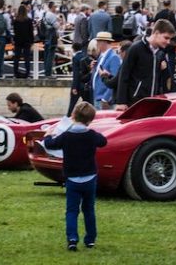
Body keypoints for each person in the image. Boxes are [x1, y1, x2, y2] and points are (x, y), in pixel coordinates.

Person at [43, 102, 107, 252]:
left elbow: (51, 144)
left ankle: (72, 239)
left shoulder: (66, 136)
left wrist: (47, 135)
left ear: (73, 116)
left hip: (72, 179)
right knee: (89, 209)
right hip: (90, 178)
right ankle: (90, 239)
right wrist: (94, 131)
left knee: (72, 210)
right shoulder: (91, 135)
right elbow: (103, 141)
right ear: (90, 120)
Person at [114, 19, 176, 109]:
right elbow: (124, 74)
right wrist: (121, 101)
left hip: (154, 103)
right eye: (166, 38)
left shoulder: (160, 53)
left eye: (170, 39)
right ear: (156, 33)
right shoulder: (136, 48)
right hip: (136, 102)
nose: (168, 42)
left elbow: (164, 79)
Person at [91, 32, 120, 109]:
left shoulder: (113, 57)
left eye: (98, 41)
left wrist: (105, 98)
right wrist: (93, 68)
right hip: (98, 97)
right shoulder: (101, 56)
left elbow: (114, 80)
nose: (96, 44)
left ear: (103, 42)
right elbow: (97, 76)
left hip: (104, 100)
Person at [68, 42, 93, 116]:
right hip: (85, 84)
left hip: (78, 84)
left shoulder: (75, 57)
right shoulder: (86, 56)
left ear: (73, 49)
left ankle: (68, 119)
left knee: (72, 106)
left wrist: (74, 87)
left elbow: (76, 73)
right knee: (88, 105)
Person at [11, 5, 34, 78]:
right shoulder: (29, 20)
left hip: (18, 40)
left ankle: (15, 72)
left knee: (16, 58)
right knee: (27, 58)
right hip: (27, 41)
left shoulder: (15, 21)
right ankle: (27, 73)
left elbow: (14, 31)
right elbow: (31, 32)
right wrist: (32, 41)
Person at [40, 2, 60, 77]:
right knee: (50, 56)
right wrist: (59, 21)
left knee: (46, 55)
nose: (56, 8)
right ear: (52, 7)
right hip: (52, 38)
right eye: (55, 7)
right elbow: (56, 26)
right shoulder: (52, 15)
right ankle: (48, 73)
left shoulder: (44, 14)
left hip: (46, 37)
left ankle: (46, 72)